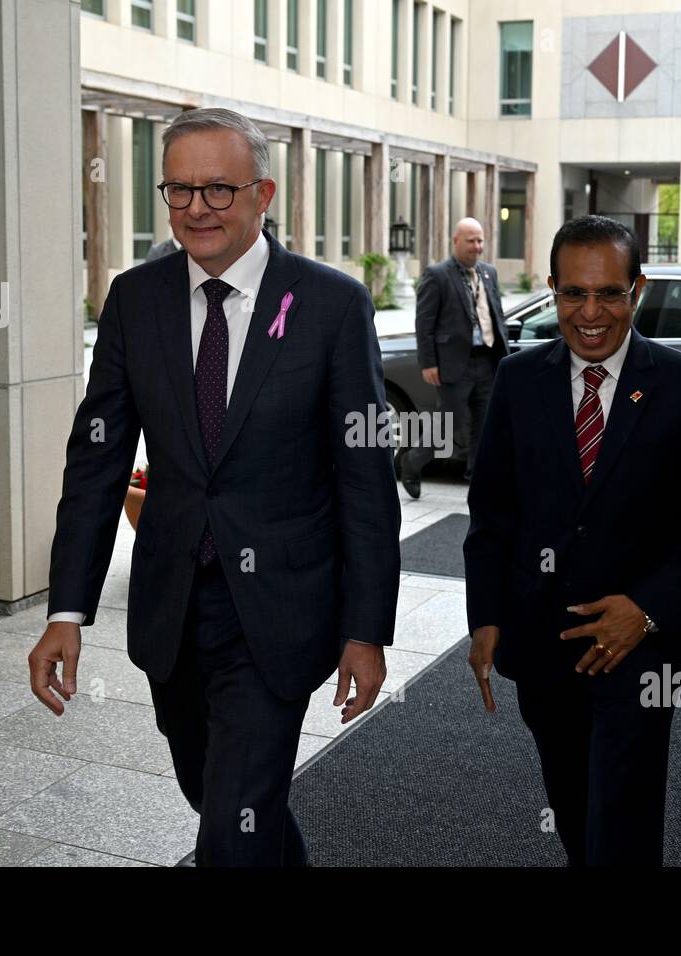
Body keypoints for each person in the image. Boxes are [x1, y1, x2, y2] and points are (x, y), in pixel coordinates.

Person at [27, 108, 401, 865]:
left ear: (263, 195)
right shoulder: (135, 299)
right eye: (179, 190)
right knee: (218, 792)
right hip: (172, 606)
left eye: (219, 190)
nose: (196, 208)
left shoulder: (329, 305)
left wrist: (366, 629)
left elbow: (365, 480)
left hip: (280, 610)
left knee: (231, 828)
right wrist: (67, 610)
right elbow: (97, 461)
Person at [464, 216, 681, 865]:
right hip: (542, 644)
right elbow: (493, 512)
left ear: (636, 290)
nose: (591, 313)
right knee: (573, 807)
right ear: (554, 290)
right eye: (573, 294)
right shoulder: (518, 379)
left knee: (625, 819)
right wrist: (485, 617)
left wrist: (644, 610)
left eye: (610, 293)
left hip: (639, 653)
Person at [400, 217, 508, 498]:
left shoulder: (489, 273)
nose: (477, 247)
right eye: (471, 241)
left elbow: (495, 313)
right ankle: (412, 461)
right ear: (456, 241)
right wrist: (429, 362)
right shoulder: (437, 275)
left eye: (481, 240)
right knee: (448, 426)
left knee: (484, 428)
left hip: (487, 361)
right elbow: (424, 323)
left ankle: (476, 479)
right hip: (453, 364)